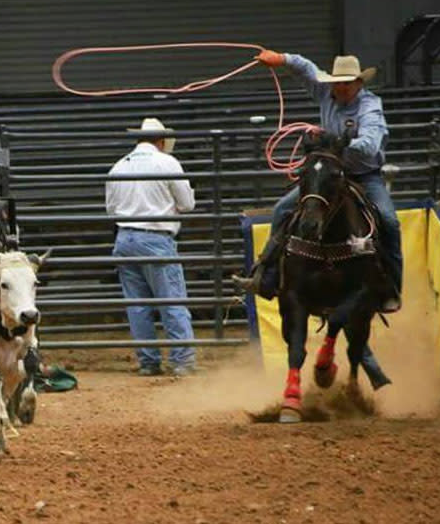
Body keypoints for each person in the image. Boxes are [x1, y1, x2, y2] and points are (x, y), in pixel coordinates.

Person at [234, 51, 402, 313]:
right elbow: (305, 68)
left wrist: (333, 141)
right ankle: (265, 277)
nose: (342, 87)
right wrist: (281, 59)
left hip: (363, 175)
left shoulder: (370, 106)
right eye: (338, 82)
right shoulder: (326, 94)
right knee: (281, 210)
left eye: (347, 83)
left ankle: (391, 286)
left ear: (359, 83)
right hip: (327, 177)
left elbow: (369, 146)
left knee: (389, 221)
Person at [106, 117, 197, 377]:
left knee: (138, 304)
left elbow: (111, 209)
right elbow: (187, 203)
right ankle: (182, 361)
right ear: (161, 141)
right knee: (171, 300)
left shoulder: (119, 167)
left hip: (124, 238)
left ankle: (148, 362)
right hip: (156, 237)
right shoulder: (167, 163)